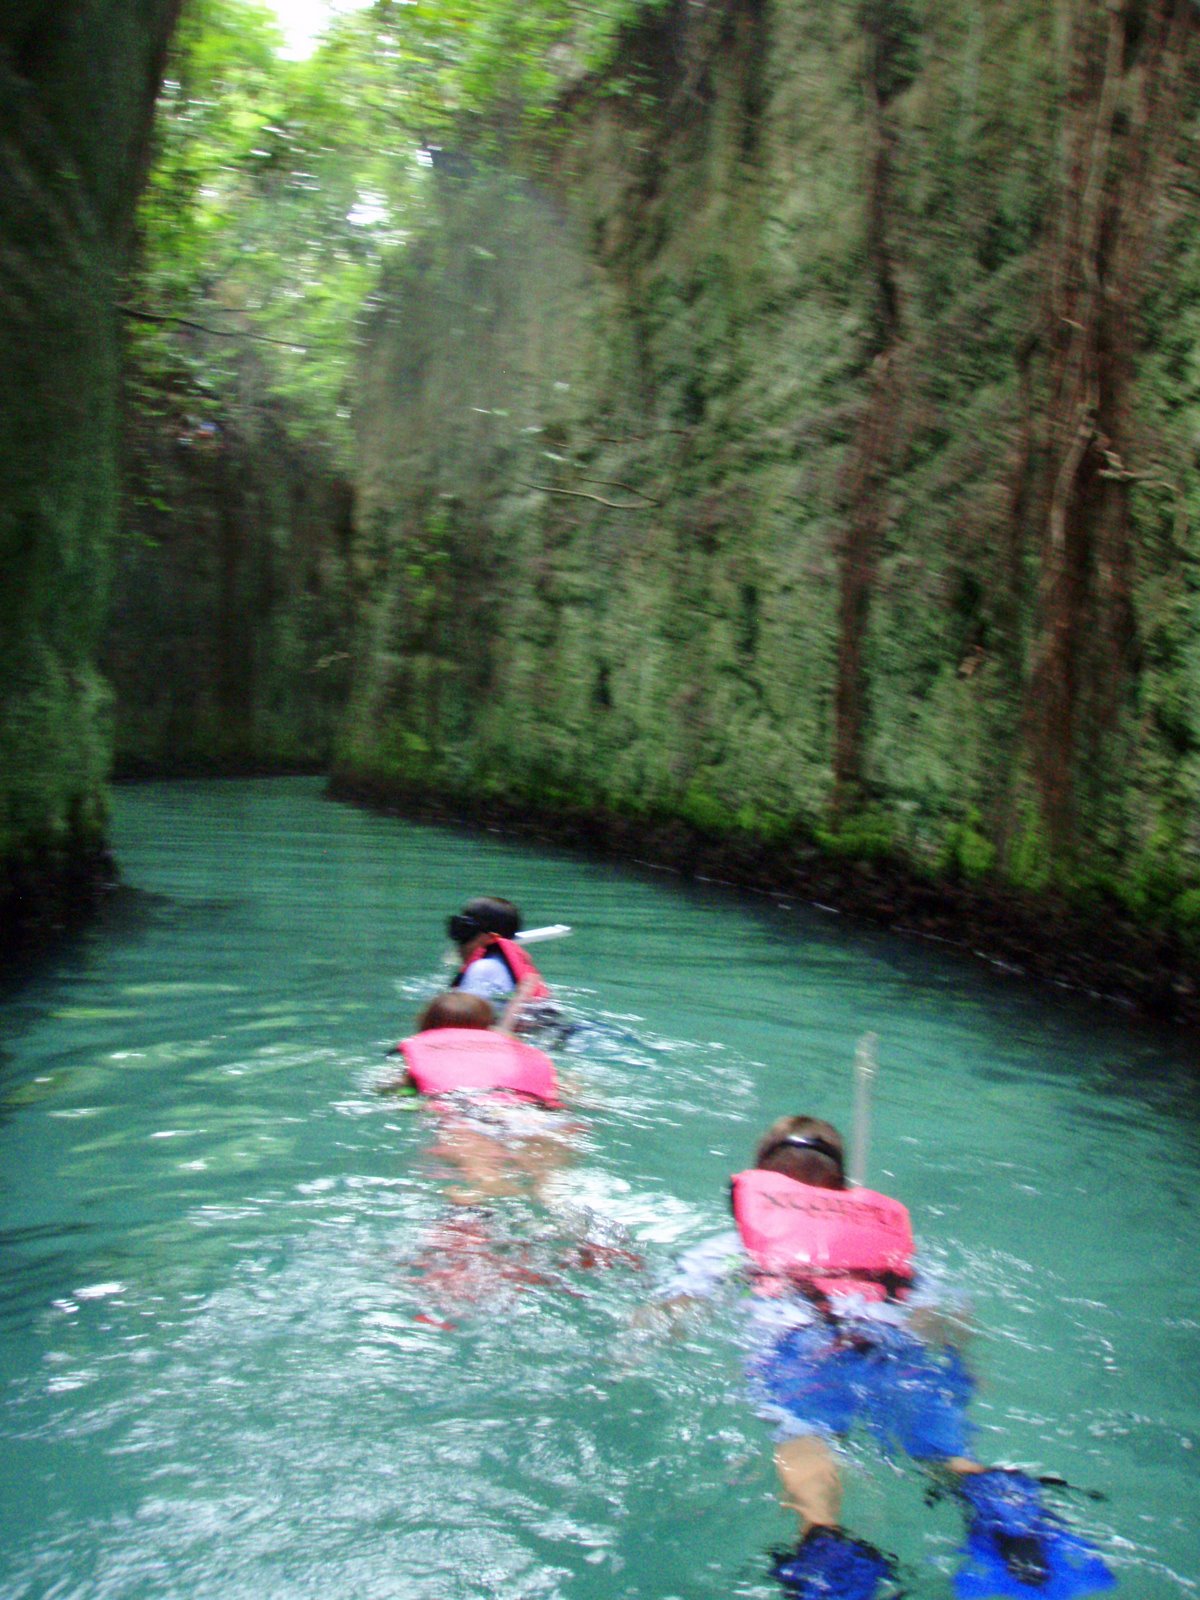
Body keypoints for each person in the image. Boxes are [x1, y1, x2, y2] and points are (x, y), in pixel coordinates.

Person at [655, 1115, 1115, 1600]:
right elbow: (948, 1317)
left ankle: (822, 1541)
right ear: (842, 1185)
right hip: (895, 1352)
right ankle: (997, 1501)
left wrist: (642, 1333)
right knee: (947, 1456)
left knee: (801, 1433)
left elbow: (679, 1305)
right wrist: (967, 1365)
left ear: (758, 1179)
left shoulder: (735, 1247)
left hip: (800, 1354)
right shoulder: (894, 1255)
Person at [446, 897, 550, 1019]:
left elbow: (466, 1022)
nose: (458, 942)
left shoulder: (481, 969)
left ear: (488, 938)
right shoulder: (501, 965)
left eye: (463, 931)